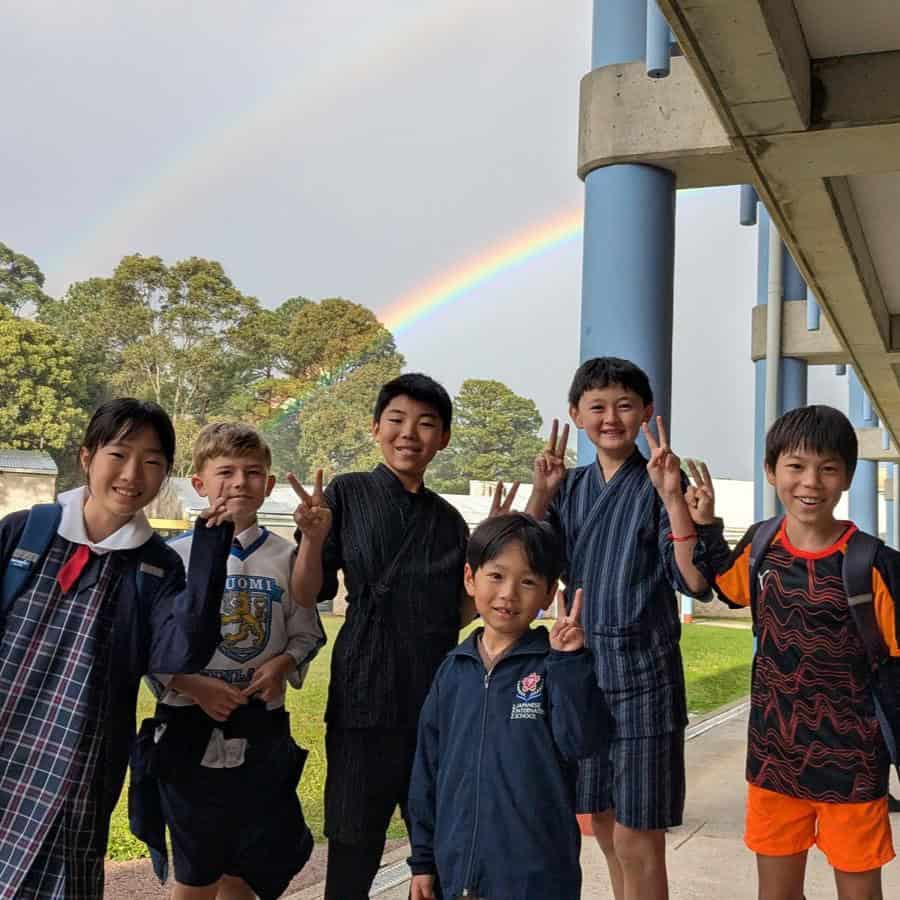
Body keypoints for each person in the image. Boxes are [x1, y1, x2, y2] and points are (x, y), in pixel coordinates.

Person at [0, 398, 234, 900]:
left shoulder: (157, 565)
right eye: (119, 454)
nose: (133, 474)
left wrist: (211, 551)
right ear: (87, 457)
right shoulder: (25, 532)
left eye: (152, 462)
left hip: (81, 767)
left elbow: (181, 653)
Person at [525, 357, 727, 900]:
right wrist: (541, 493)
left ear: (646, 413)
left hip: (645, 676)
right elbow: (528, 564)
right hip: (584, 672)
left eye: (624, 405)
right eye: (596, 406)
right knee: (607, 827)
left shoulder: (664, 479)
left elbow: (692, 581)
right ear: (575, 414)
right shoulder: (570, 487)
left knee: (641, 836)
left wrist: (670, 499)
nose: (610, 417)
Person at [292, 372, 470, 900]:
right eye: (396, 420)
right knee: (353, 844)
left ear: (444, 439)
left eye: (426, 423)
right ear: (376, 428)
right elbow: (307, 594)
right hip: (362, 692)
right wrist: (314, 537)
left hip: (432, 700)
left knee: (435, 848)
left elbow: (456, 615)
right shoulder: (346, 493)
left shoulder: (450, 521)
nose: (409, 433)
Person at [710, 405, 899, 899]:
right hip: (774, 760)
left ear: (847, 478)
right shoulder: (761, 545)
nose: (810, 481)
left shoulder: (874, 564)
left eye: (828, 467)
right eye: (795, 466)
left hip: (853, 763)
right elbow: (723, 587)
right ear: (771, 471)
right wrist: (694, 518)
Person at [140, 422, 326, 900]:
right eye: (225, 472)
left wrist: (282, 664)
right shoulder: (172, 557)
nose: (240, 482)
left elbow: (306, 633)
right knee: (197, 871)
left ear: (268, 485)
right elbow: (147, 646)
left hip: (261, 728)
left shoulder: (289, 557)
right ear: (198, 483)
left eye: (253, 472)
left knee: (248, 868)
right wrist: (195, 686)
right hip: (187, 727)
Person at [407, 512, 610, 900]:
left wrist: (569, 663)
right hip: (459, 875)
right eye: (496, 576)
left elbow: (583, 742)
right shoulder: (452, 671)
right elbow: (427, 772)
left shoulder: (555, 667)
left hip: (539, 876)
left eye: (528, 581)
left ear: (550, 593)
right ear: (470, 578)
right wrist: (423, 861)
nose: (509, 594)